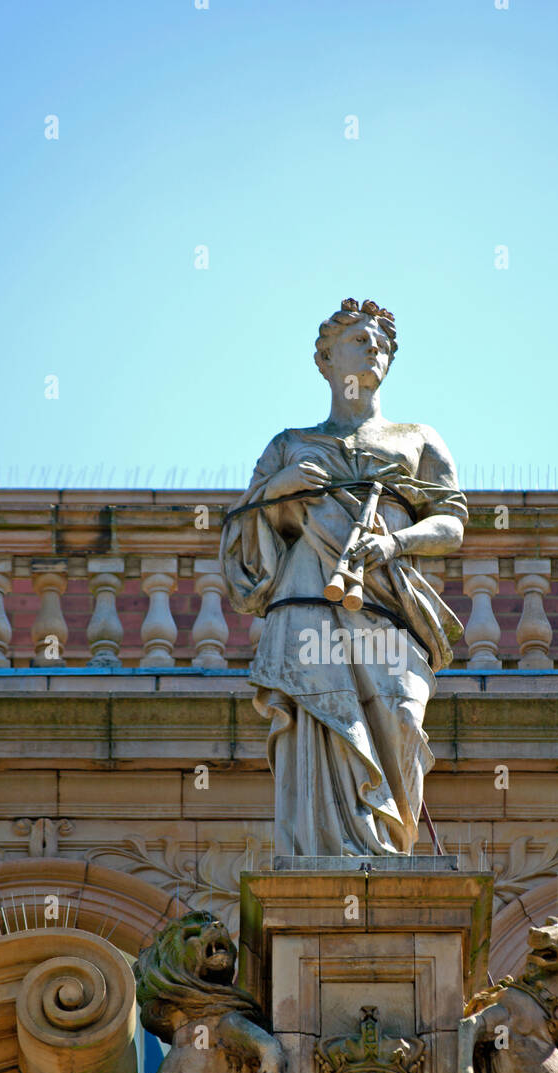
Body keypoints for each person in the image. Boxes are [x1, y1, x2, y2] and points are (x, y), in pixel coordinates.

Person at [220, 298, 467, 858]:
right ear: (326, 359)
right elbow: (242, 539)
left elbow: (451, 524)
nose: (374, 347)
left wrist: (393, 544)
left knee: (402, 714)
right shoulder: (288, 445)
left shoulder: (418, 439)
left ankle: (388, 848)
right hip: (306, 596)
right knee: (317, 714)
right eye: (360, 339)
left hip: (386, 600)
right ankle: (318, 857)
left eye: (382, 342)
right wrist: (278, 489)